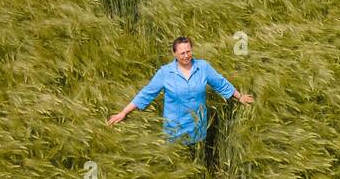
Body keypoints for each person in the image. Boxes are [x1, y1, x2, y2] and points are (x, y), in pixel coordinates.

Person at [107, 36, 254, 146]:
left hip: (197, 129)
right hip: (174, 132)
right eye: (182, 53)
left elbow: (221, 83)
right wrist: (124, 112)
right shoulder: (165, 72)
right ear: (174, 54)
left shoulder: (203, 67)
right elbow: (146, 94)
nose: (186, 56)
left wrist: (239, 96)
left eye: (188, 51)